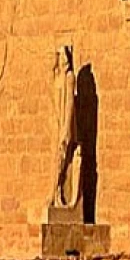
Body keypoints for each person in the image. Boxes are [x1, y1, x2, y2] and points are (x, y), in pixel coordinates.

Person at [50, 45, 79, 208]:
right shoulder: (58, 78)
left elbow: (69, 103)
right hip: (58, 121)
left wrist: (66, 127)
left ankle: (60, 192)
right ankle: (56, 192)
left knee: (63, 158)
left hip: (66, 123)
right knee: (57, 158)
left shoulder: (69, 77)